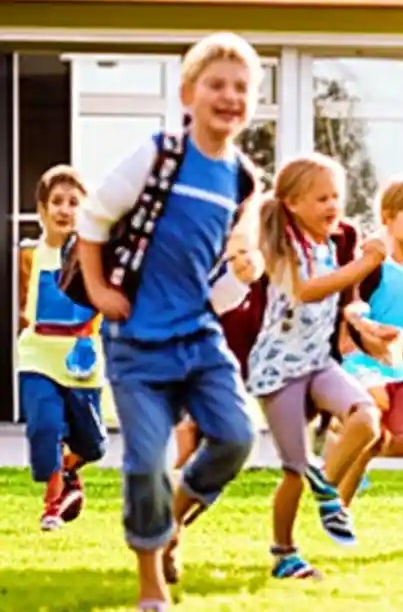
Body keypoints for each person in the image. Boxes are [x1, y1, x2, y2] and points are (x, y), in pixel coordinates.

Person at [76, 32, 265, 611]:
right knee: (145, 463)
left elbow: (230, 275)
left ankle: (175, 516)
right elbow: (92, 217)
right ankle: (150, 584)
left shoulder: (242, 179)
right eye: (216, 85)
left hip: (200, 336)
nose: (229, 97)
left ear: (252, 102)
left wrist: (246, 269)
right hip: (136, 340)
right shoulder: (159, 155)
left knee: (237, 436)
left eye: (241, 88)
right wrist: (99, 289)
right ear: (189, 93)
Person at [245, 154, 385, 579]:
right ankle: (284, 553)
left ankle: (325, 488)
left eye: (336, 197)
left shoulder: (329, 244)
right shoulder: (282, 246)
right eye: (321, 198)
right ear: (291, 203)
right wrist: (363, 263)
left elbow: (347, 296)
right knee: (292, 468)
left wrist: (363, 318)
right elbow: (306, 291)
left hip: (316, 362)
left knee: (367, 419)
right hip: (279, 368)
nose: (332, 206)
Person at [336, 175, 403, 505]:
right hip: (360, 357)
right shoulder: (374, 261)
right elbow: (349, 304)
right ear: (387, 216)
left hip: (395, 365)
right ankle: (335, 448)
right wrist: (349, 343)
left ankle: (352, 458)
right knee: (378, 404)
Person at [17, 165, 106, 531]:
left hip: (80, 358)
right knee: (45, 426)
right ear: (41, 209)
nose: (64, 209)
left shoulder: (94, 257)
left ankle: (70, 470)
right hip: (38, 354)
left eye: (73, 203)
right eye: (56, 202)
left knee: (94, 445)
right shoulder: (28, 254)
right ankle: (51, 505)